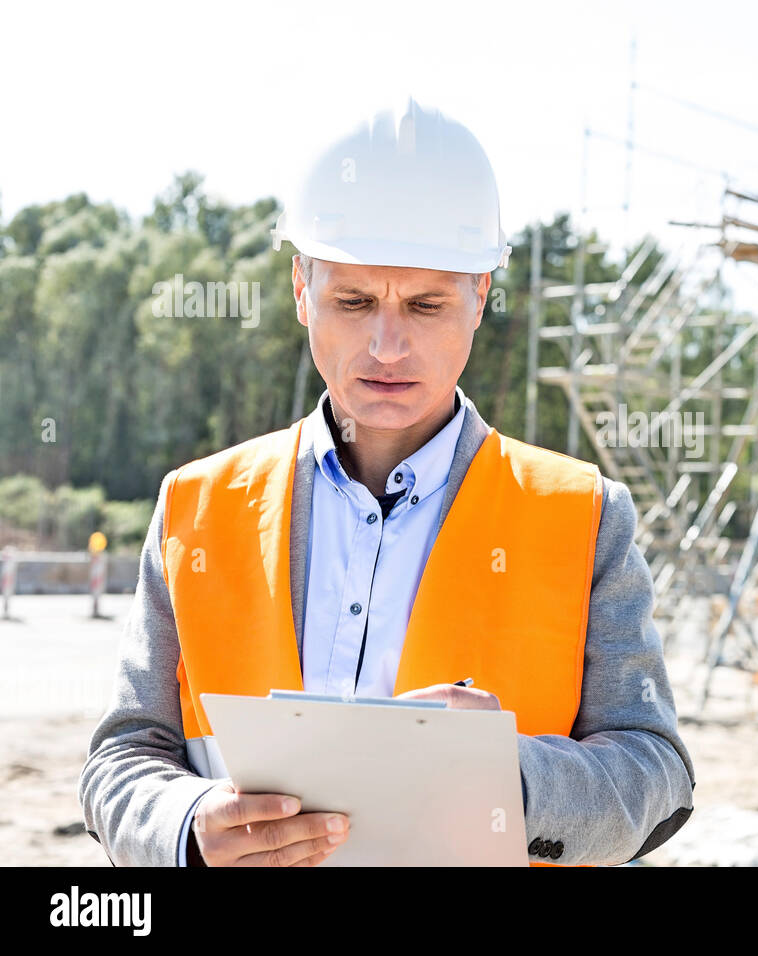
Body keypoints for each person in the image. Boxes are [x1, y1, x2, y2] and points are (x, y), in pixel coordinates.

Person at [78, 99, 696, 868]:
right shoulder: (196, 509)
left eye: (427, 304)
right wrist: (190, 825)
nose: (387, 345)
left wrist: (513, 780)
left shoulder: (582, 517)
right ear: (302, 288)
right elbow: (122, 757)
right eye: (355, 301)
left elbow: (656, 773)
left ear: (481, 294)